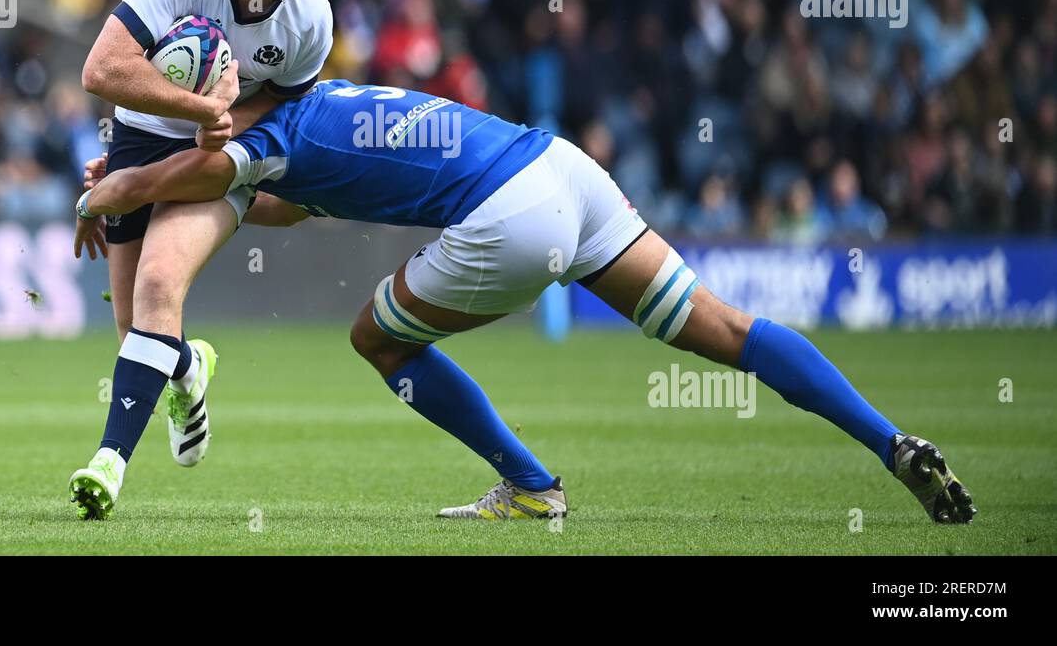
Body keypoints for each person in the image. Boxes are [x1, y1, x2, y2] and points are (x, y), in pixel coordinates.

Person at [72, 81, 976, 525]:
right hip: (566, 171)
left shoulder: (260, 134)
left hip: (507, 215)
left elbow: (206, 177)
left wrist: (115, 188)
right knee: (726, 329)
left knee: (376, 341)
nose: (209, 111)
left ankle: (533, 487)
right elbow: (276, 205)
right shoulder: (329, 104)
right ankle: (889, 440)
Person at [68, 0, 333, 518]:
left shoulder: (311, 19)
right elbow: (100, 69)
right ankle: (189, 367)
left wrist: (214, 137)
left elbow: (279, 112)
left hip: (225, 149)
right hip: (144, 132)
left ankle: (109, 464)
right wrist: (195, 109)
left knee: (161, 285)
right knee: (137, 332)